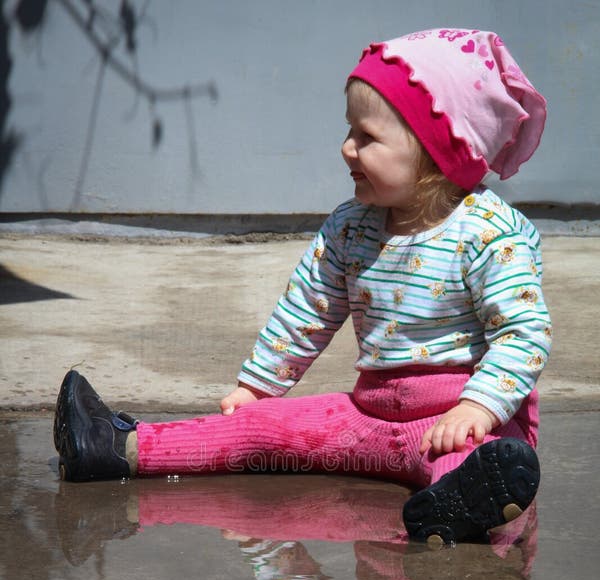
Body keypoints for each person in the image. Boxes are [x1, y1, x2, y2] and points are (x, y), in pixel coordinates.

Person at [53, 27, 552, 545]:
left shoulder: (488, 233)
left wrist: (478, 408)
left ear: (433, 150)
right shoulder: (350, 227)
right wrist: (257, 389)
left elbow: (524, 333)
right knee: (258, 428)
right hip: (369, 417)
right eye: (349, 131)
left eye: (367, 137)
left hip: (461, 420)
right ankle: (115, 447)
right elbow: (305, 312)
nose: (347, 148)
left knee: (472, 461)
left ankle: (456, 507)